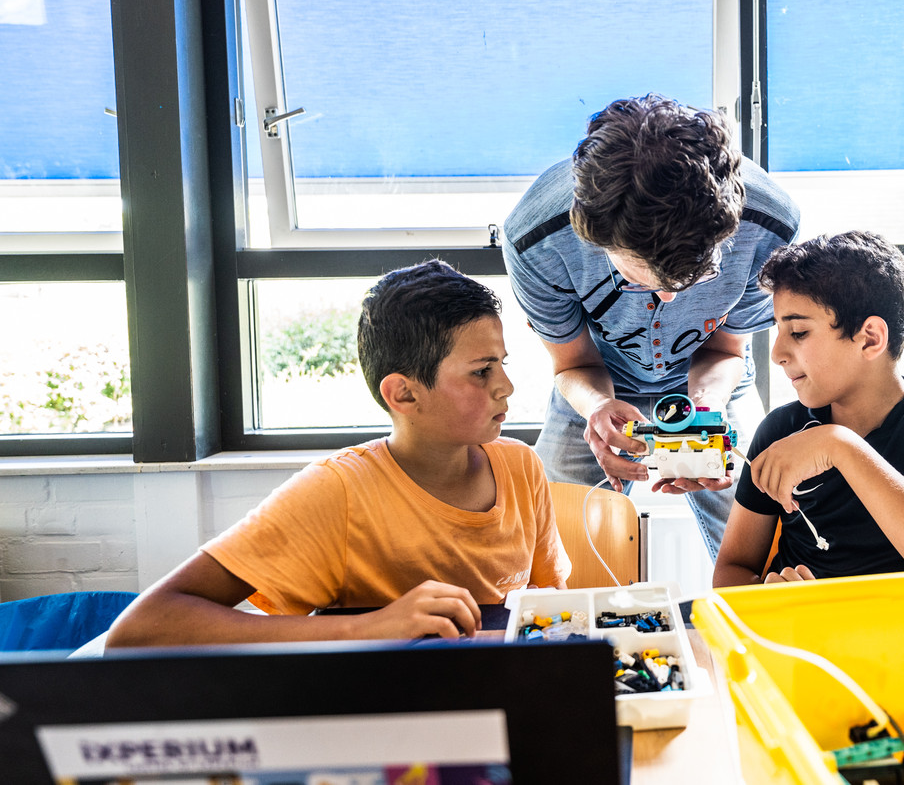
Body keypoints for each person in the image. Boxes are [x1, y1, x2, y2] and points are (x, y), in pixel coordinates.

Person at [107, 260, 570, 646]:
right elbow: (139, 629)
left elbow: (553, 608)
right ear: (404, 395)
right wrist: (371, 627)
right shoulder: (338, 491)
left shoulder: (520, 465)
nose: (506, 387)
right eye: (481, 371)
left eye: (502, 365)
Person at [502, 94, 800, 559]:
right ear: (595, 237)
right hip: (595, 375)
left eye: (698, 277)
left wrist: (707, 409)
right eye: (638, 279)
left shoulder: (771, 229)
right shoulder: (537, 240)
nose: (668, 299)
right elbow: (572, 363)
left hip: (714, 379)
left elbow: (726, 351)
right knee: (552, 544)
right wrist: (599, 406)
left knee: (765, 533)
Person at [712, 232, 904, 586]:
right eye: (778, 331)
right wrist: (768, 598)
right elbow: (731, 570)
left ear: (870, 338)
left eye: (799, 332)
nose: (777, 354)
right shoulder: (780, 431)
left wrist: (841, 447)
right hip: (803, 636)